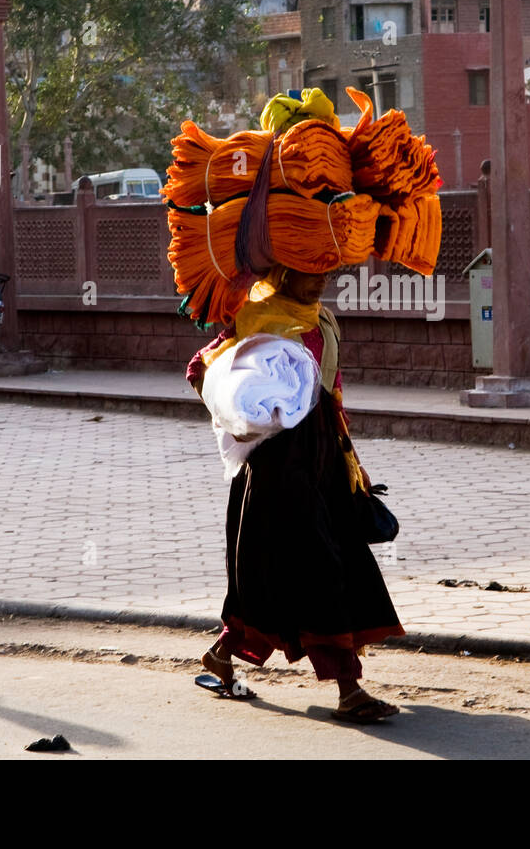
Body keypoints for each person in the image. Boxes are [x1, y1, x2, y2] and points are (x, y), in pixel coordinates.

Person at [187, 264, 404, 723]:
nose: (321, 278)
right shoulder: (257, 316)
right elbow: (200, 368)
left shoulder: (323, 318)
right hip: (279, 469)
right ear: (284, 272)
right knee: (320, 566)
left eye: (327, 270)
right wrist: (254, 405)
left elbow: (334, 392)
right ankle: (349, 689)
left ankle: (223, 655)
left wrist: (352, 460)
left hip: (323, 456)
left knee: (290, 570)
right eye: (310, 270)